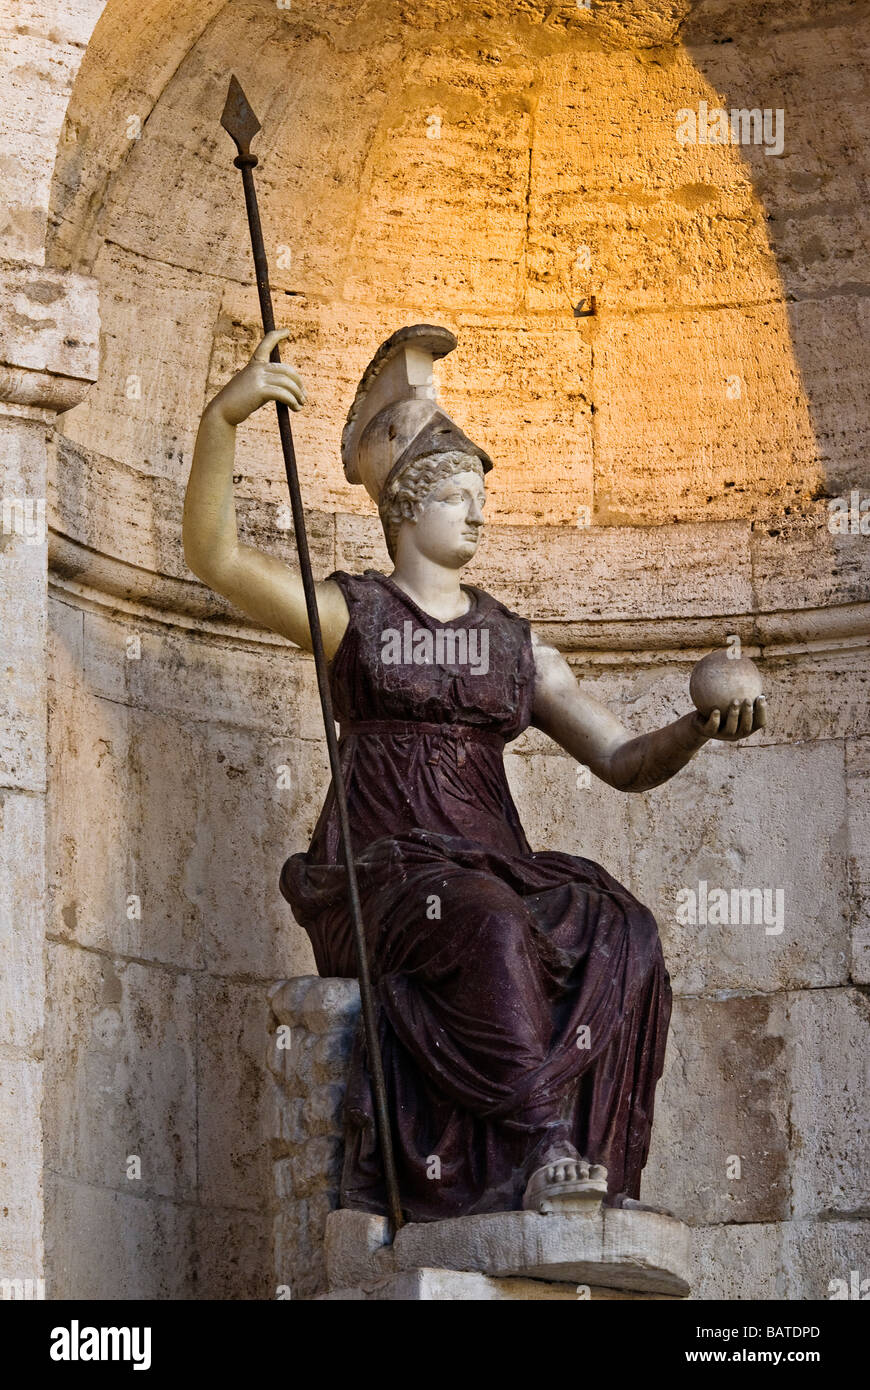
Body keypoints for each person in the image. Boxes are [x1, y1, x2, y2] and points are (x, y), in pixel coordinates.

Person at [182, 323, 766, 1222]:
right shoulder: (354, 614)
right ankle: (539, 1150)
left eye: (481, 493)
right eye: (458, 494)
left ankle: (596, 1167)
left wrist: (698, 725)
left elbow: (620, 760)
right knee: (489, 921)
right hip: (379, 876)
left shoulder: (517, 644)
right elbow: (214, 558)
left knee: (625, 930)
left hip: (484, 862)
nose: (479, 511)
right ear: (406, 509)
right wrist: (226, 418)